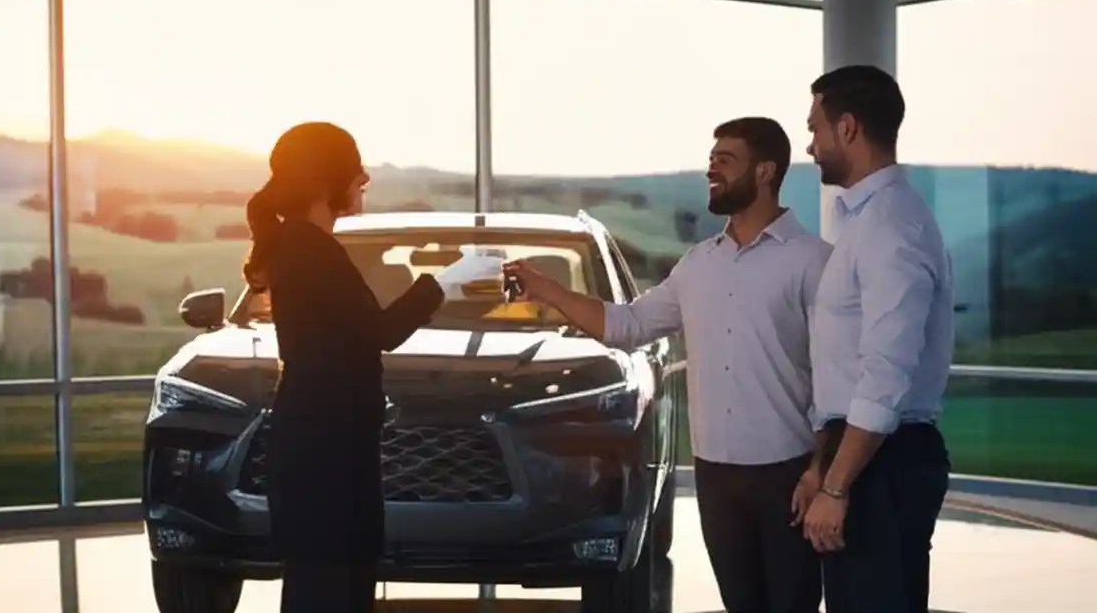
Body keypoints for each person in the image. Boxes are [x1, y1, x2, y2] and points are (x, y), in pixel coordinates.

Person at [504, 117, 831, 613]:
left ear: (765, 172)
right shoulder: (699, 264)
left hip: (788, 475)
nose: (712, 169)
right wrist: (546, 288)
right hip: (715, 477)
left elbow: (836, 377)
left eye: (726, 160)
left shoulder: (813, 261)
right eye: (711, 160)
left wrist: (822, 473)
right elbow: (628, 325)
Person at [242, 122, 503, 613]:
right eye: (354, 168)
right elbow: (379, 331)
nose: (364, 179)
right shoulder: (309, 249)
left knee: (334, 583)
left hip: (325, 448)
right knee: (327, 590)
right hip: (323, 455)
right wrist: (446, 280)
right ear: (325, 179)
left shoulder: (303, 245)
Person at [800, 65, 954, 613]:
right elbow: (845, 370)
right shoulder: (866, 221)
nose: (810, 145)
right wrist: (822, 468)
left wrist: (836, 486)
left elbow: (885, 373)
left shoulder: (890, 227)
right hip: (864, 457)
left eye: (815, 128)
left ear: (847, 128)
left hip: (883, 464)